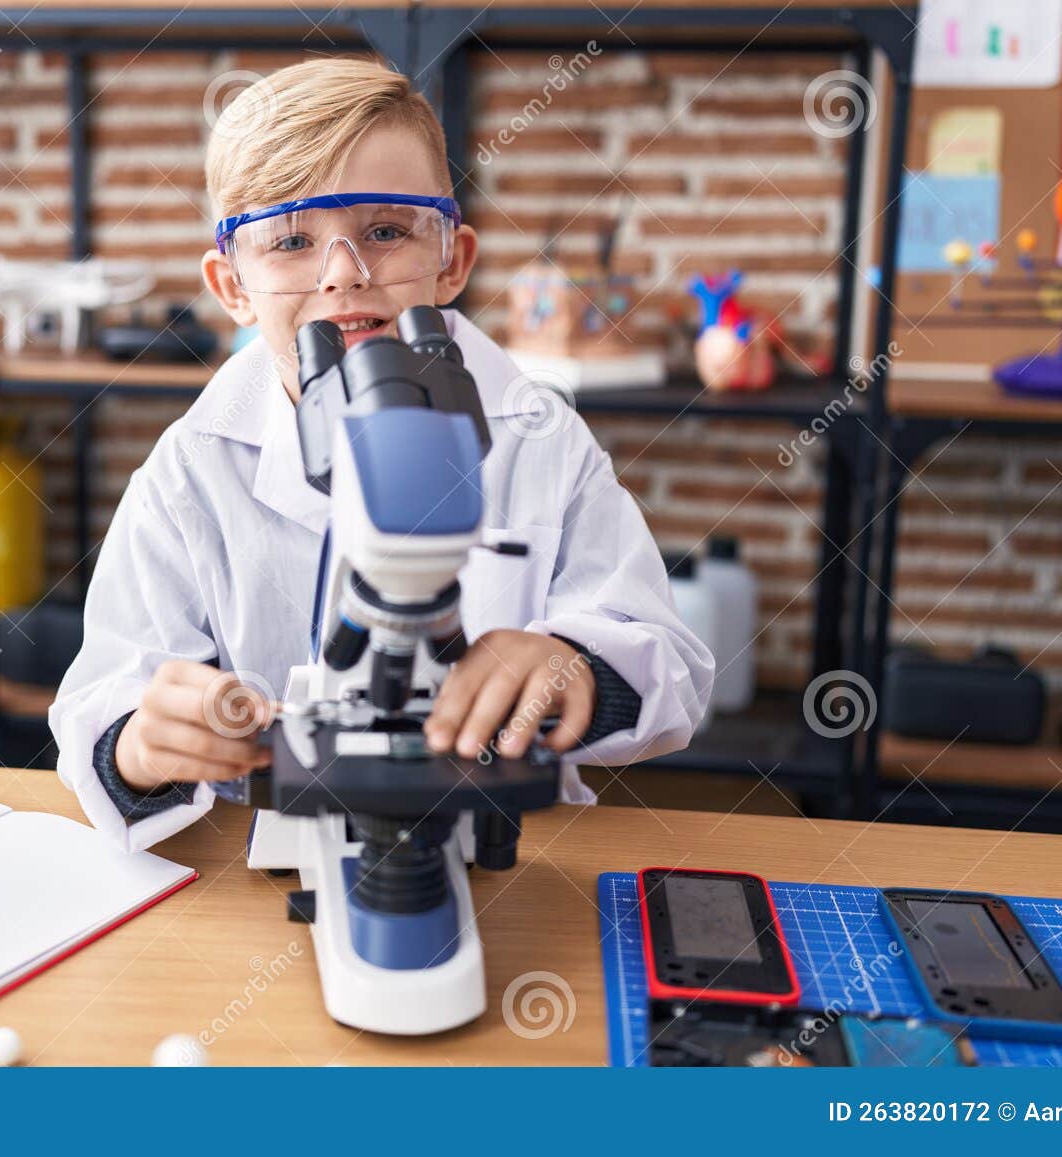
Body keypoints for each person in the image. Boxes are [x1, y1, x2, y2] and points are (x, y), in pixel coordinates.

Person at [49, 58, 713, 851]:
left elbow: (672, 673)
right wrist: (142, 745)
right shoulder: (192, 469)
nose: (343, 275)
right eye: (292, 240)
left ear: (452, 260)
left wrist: (572, 665)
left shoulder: (539, 437)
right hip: (263, 852)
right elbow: (101, 708)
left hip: (507, 847)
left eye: (386, 232)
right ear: (232, 286)